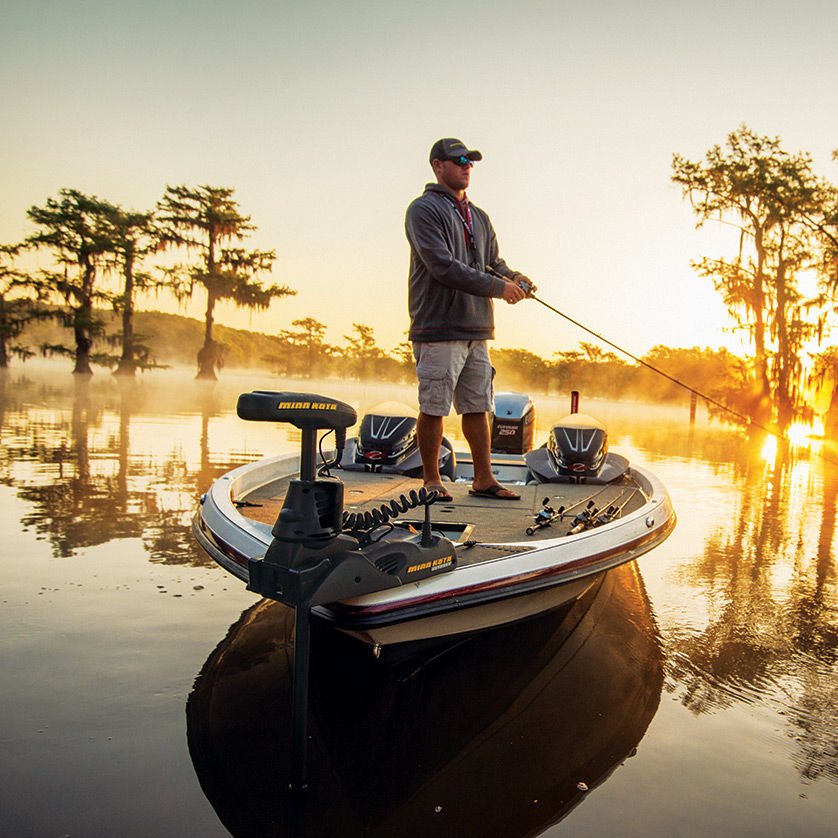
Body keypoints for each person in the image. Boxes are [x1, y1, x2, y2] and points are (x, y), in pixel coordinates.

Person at [405, 137, 534, 501]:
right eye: (458, 159)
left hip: (477, 327)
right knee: (434, 406)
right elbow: (443, 267)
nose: (466, 165)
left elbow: (494, 263)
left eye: (470, 161)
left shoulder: (479, 216)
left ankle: (483, 479)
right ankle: (431, 481)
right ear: (437, 165)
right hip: (438, 326)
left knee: (478, 406)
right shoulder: (423, 210)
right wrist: (499, 287)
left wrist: (516, 278)